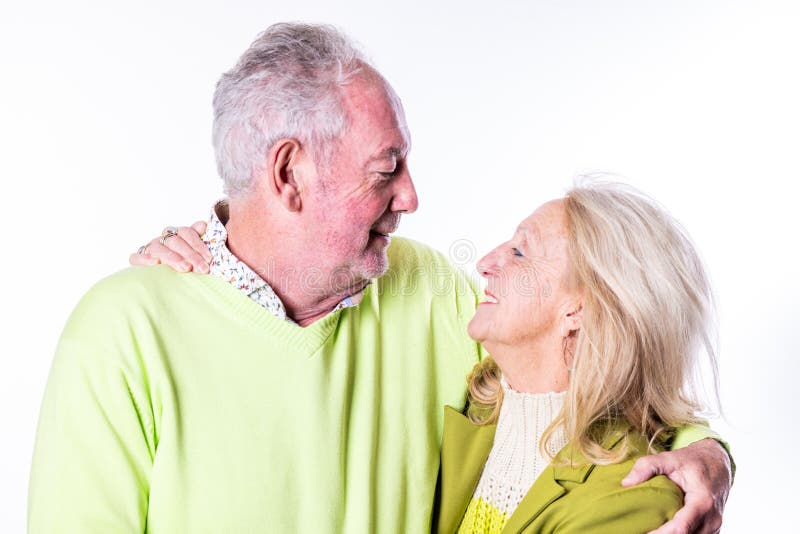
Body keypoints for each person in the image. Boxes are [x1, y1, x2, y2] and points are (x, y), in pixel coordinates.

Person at [29, 23, 731, 533]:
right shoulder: (123, 330)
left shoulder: (425, 288)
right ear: (287, 176)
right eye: (384, 169)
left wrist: (711, 453)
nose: (412, 197)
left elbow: (593, 373)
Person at [434, 182, 725, 533]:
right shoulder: (469, 407)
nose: (484, 264)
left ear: (580, 310)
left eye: (521, 253)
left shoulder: (638, 499)